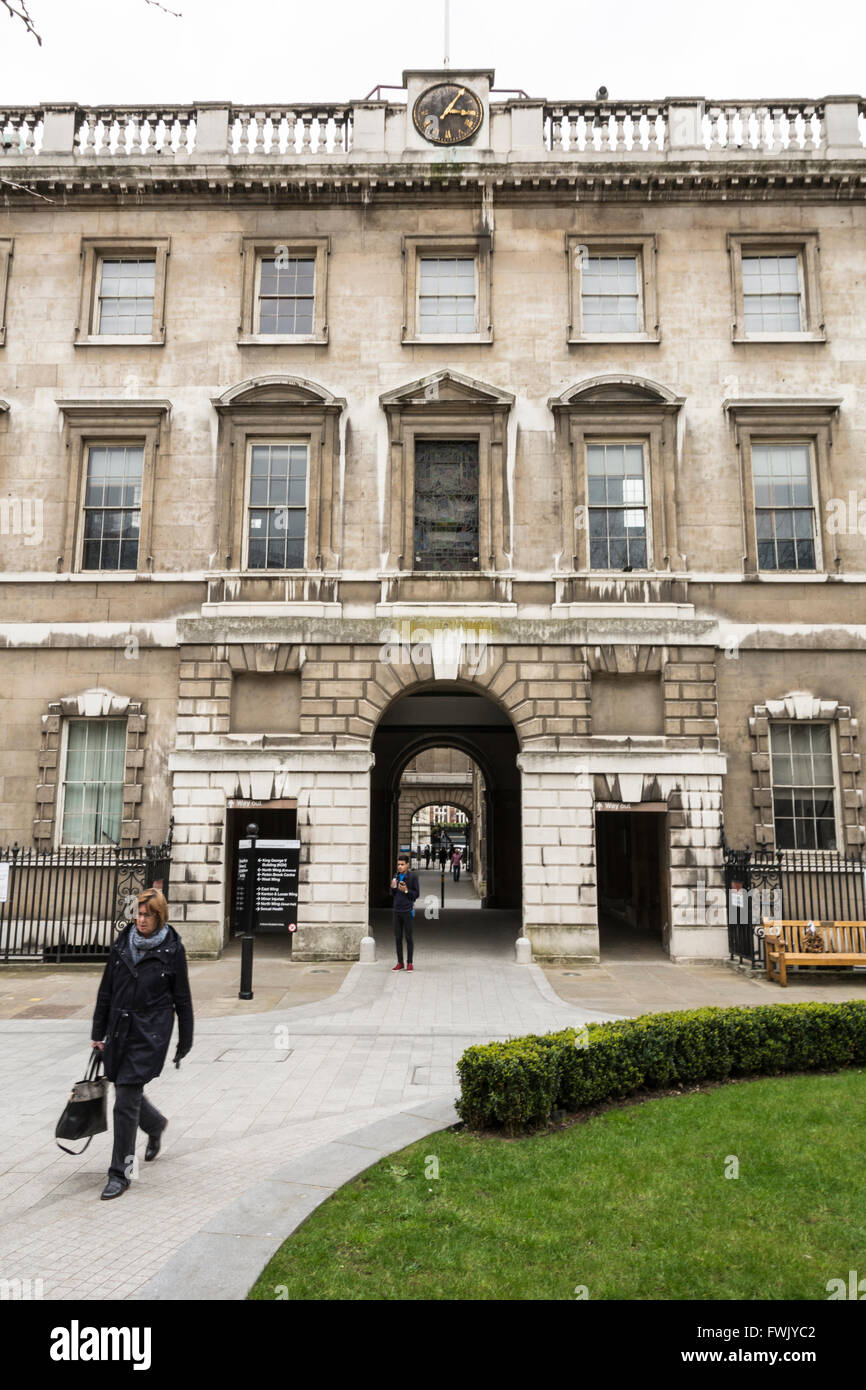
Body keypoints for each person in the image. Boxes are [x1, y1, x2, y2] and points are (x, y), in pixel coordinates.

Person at [90, 888, 193, 1200]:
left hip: (151, 1032)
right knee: (124, 1088)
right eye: (138, 913)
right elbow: (106, 990)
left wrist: (184, 1040)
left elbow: (183, 998)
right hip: (119, 1028)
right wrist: (98, 1031)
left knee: (125, 1099)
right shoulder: (123, 944)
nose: (141, 919)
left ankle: (119, 1173)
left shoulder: (173, 950)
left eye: (148, 914)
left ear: (159, 916)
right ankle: (156, 1123)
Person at [390, 854, 419, 972]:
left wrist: (406, 890)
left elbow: (416, 894)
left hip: (407, 910)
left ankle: (410, 963)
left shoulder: (412, 877)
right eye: (398, 864)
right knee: (397, 937)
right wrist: (393, 888)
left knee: (408, 937)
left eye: (402, 864)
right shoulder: (396, 876)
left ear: (407, 865)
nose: (400, 867)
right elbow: (393, 894)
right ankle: (400, 962)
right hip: (396, 910)